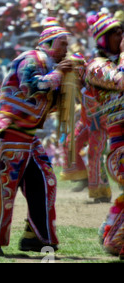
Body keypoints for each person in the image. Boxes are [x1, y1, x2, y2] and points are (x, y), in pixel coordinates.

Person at [0, 21, 73, 255]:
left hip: (30, 138)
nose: (66, 48)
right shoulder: (32, 58)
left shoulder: (50, 65)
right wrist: (60, 73)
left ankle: (35, 237)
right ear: (48, 43)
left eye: (67, 44)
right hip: (12, 135)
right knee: (5, 190)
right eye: (62, 43)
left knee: (46, 183)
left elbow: (47, 104)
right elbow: (31, 87)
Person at [85, 13, 123, 260]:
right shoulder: (96, 67)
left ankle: (109, 232)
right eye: (116, 34)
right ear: (103, 39)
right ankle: (114, 239)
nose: (121, 36)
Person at [60, 52, 111, 202]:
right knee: (69, 143)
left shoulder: (94, 77)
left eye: (74, 69)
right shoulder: (74, 81)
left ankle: (102, 193)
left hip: (100, 123)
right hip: (86, 120)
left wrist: (81, 87)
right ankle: (83, 177)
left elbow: (96, 101)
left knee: (95, 156)